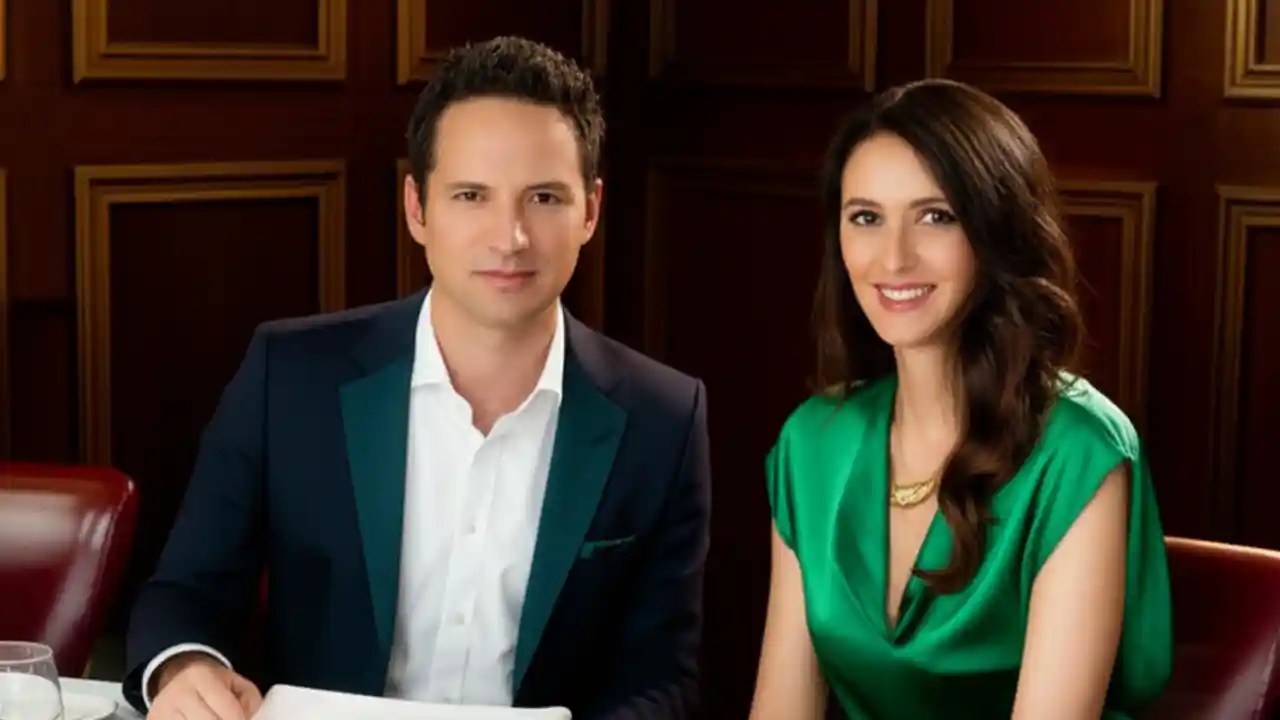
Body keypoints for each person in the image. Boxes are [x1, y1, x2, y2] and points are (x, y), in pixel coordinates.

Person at [124, 36, 711, 720]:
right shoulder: (289, 377)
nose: (510, 236)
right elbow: (182, 595)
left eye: (544, 197)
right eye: (471, 195)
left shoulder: (664, 417)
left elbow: (663, 679)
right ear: (417, 208)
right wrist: (185, 666)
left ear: (591, 210)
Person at [749, 79, 1172, 720]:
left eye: (936, 216)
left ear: (995, 230)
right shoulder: (813, 441)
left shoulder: (1079, 452)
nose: (893, 257)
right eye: (866, 217)